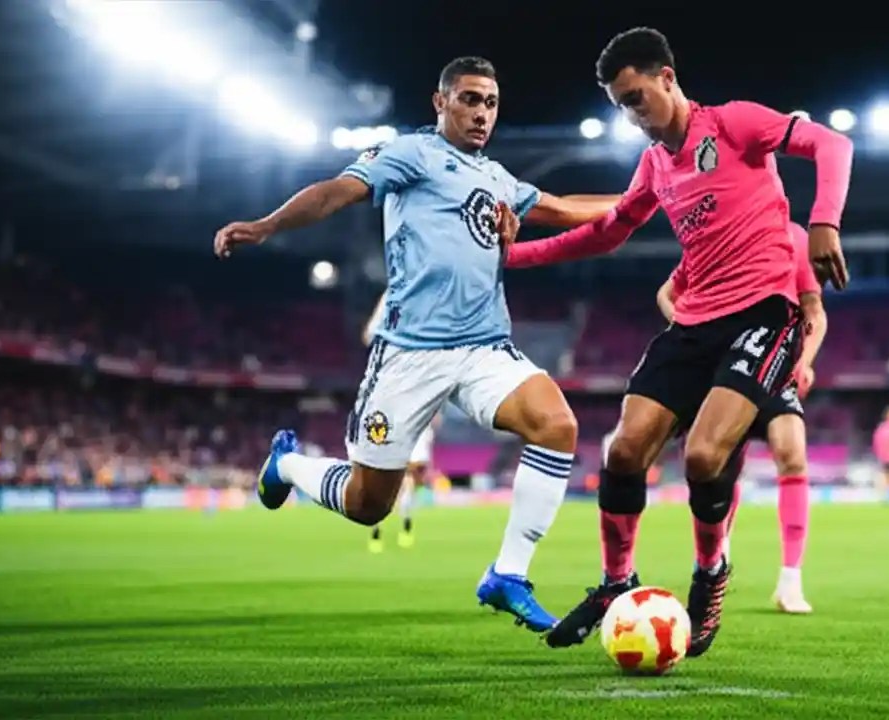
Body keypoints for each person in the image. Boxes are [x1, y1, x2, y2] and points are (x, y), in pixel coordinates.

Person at [213, 56, 620, 633]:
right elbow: (336, 191)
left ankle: (508, 574)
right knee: (368, 504)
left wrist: (650, 197)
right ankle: (289, 464)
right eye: (470, 100)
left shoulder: (498, 178)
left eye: (491, 103)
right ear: (441, 102)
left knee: (557, 424)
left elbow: (564, 209)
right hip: (409, 354)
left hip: (483, 346)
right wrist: (267, 225)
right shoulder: (411, 154)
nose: (482, 114)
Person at [502, 27, 853, 655]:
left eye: (637, 97)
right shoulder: (655, 164)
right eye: (621, 106)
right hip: (692, 323)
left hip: (764, 315)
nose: (633, 116)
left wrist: (823, 220)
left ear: (667, 77)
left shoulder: (736, 123)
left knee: (702, 457)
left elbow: (832, 143)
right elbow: (607, 232)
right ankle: (616, 583)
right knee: (624, 451)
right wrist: (515, 257)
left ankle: (711, 572)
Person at [658, 221, 828, 614]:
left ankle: (790, 581)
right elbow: (667, 294)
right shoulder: (718, 230)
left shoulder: (794, 237)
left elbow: (814, 312)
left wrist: (804, 360)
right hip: (725, 369)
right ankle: (718, 560)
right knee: (721, 466)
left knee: (793, 453)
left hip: (776, 362)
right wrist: (687, 331)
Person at [362, 290, 438, 553]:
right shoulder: (396, 296)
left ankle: (391, 526)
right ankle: (383, 527)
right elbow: (368, 336)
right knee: (390, 479)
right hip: (395, 405)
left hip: (407, 407)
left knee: (404, 481)